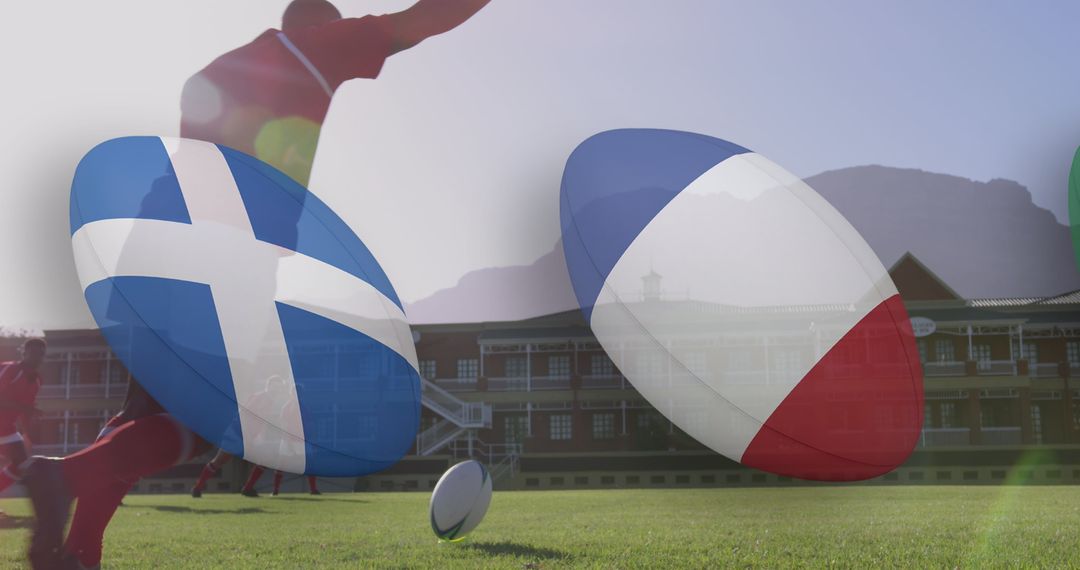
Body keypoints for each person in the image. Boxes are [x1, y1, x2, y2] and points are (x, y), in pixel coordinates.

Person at [25, 2, 492, 567]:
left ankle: (79, 552)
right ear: (322, 23)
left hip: (146, 248)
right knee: (207, 422)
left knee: (141, 415)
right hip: (217, 256)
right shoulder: (316, 48)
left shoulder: (232, 62)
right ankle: (59, 480)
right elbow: (422, 20)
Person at [0, 339, 47, 496]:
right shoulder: (11, 369)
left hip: (7, 429)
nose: (37, 358)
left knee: (21, 466)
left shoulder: (37, 381)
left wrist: (29, 429)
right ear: (24, 353)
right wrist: (25, 408)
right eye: (33, 353)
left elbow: (25, 410)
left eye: (41, 354)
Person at [191, 449, 321, 498]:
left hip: (237, 434)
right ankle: (247, 488)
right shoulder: (262, 400)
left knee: (218, 461)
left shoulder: (257, 399)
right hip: (243, 436)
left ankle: (197, 488)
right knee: (266, 460)